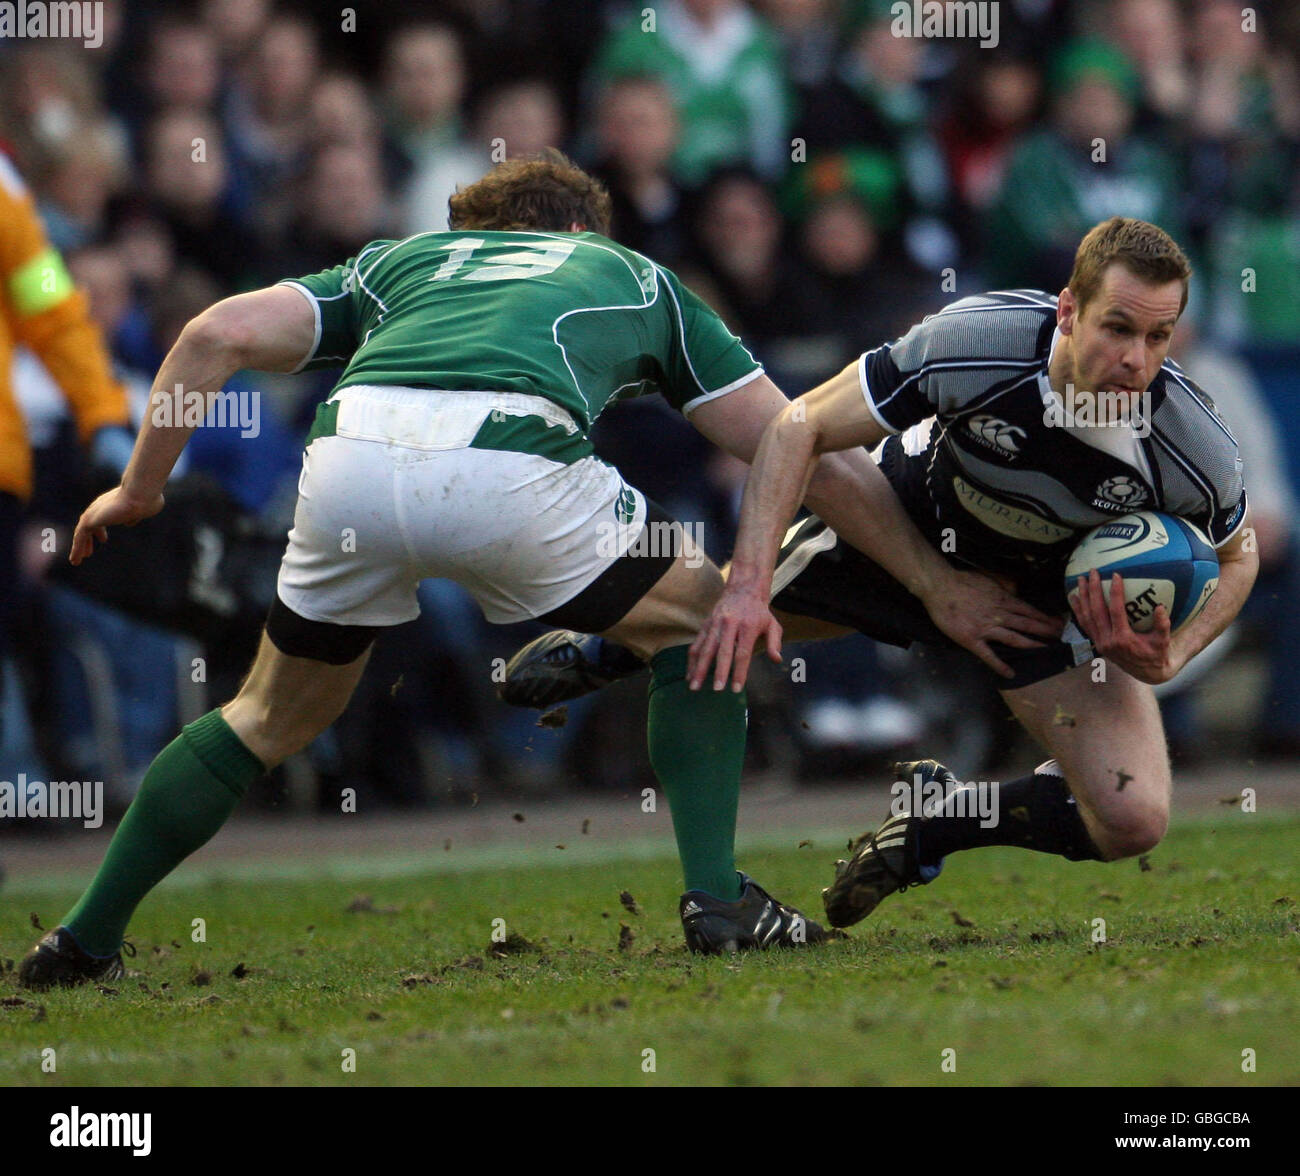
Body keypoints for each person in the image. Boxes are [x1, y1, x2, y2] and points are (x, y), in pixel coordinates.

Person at [20, 151, 1041, 986]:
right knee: (698, 617)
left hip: (345, 468)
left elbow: (214, 333)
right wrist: (933, 580)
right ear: (578, 234)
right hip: (512, 461)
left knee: (267, 715)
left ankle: (85, 935)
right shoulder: (631, 275)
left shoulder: (400, 261)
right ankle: (717, 896)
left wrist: (141, 489)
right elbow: (794, 441)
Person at [501, 217, 1256, 930]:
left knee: (1132, 819)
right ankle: (619, 646)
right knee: (741, 592)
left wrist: (1176, 653)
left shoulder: (1189, 441)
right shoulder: (978, 342)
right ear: (1067, 311)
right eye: (1118, 328)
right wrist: (773, 586)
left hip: (1034, 600)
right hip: (903, 531)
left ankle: (940, 822)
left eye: (1158, 337)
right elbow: (798, 425)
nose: (1136, 360)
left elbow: (1239, 553)